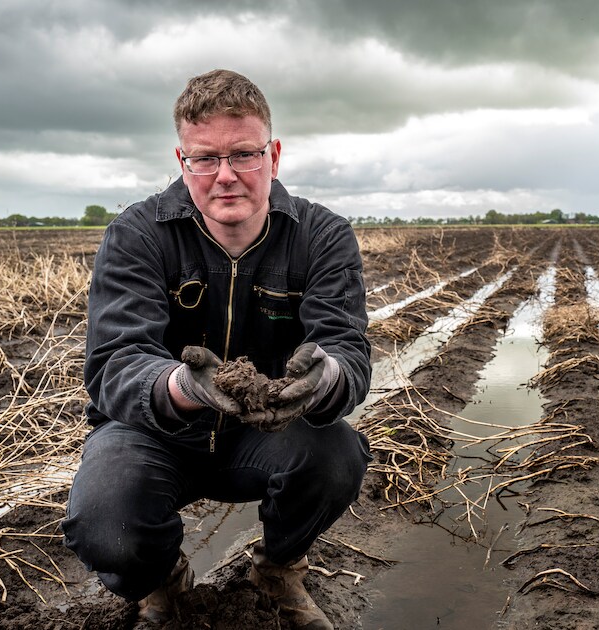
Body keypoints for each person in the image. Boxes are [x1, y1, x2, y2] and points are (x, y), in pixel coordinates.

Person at [62, 69, 372, 630]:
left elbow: (346, 347)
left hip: (269, 429)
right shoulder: (137, 235)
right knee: (105, 522)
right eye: (205, 158)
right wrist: (182, 386)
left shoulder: (321, 236)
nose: (225, 176)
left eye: (244, 155)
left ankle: (277, 571)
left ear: (273, 154)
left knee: (336, 458)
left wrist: (322, 379)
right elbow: (114, 362)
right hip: (155, 431)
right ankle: (162, 579)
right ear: (182, 161)